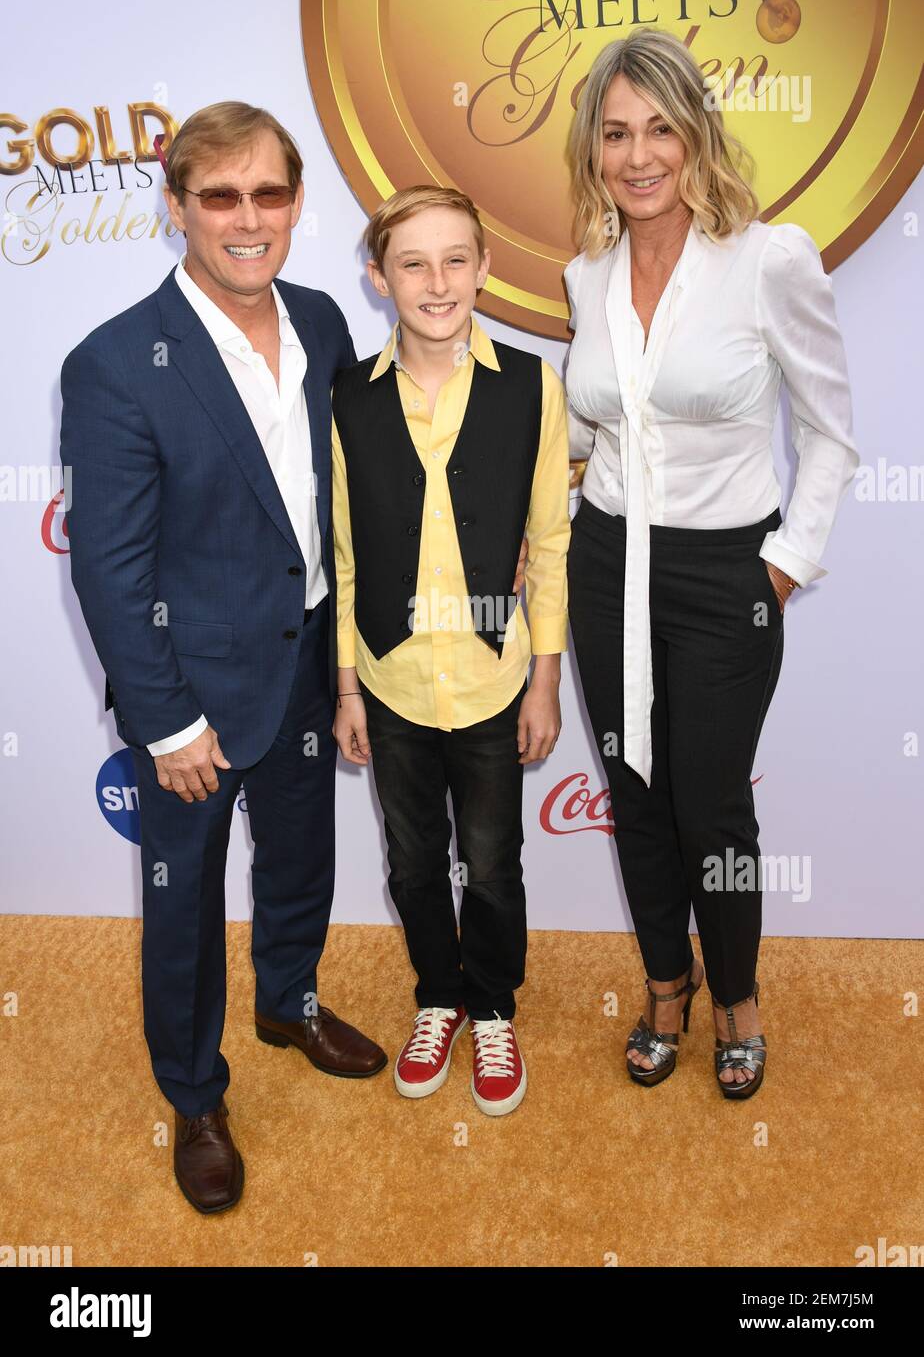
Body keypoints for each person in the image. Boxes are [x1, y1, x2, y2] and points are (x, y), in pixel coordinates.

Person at [59, 101, 386, 1214]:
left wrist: (349, 667)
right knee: (186, 905)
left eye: (269, 194)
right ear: (178, 208)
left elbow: (345, 500)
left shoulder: (324, 321)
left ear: (296, 203)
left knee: (302, 860)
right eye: (221, 196)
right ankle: (196, 1095)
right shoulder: (116, 363)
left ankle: (290, 1002)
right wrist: (166, 721)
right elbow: (109, 567)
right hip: (190, 692)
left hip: (307, 665)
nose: (249, 219)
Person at [562, 30, 859, 1098]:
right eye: (616, 134)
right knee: (633, 792)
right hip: (607, 561)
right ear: (593, 151)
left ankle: (736, 994)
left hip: (726, 572)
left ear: (695, 134)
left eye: (660, 130)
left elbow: (830, 432)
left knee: (712, 804)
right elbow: (596, 424)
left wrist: (779, 568)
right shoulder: (586, 273)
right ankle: (665, 984)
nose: (639, 156)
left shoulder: (769, 260)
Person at [331, 186, 571, 1116]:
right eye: (413, 264)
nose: (437, 283)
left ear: (484, 268)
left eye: (455, 260)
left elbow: (549, 543)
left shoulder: (532, 387)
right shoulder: (349, 396)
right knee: (413, 862)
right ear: (379, 279)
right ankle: (439, 996)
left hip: (492, 677)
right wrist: (347, 689)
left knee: (494, 859)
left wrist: (544, 682)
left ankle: (494, 1004)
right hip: (390, 677)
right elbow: (346, 557)